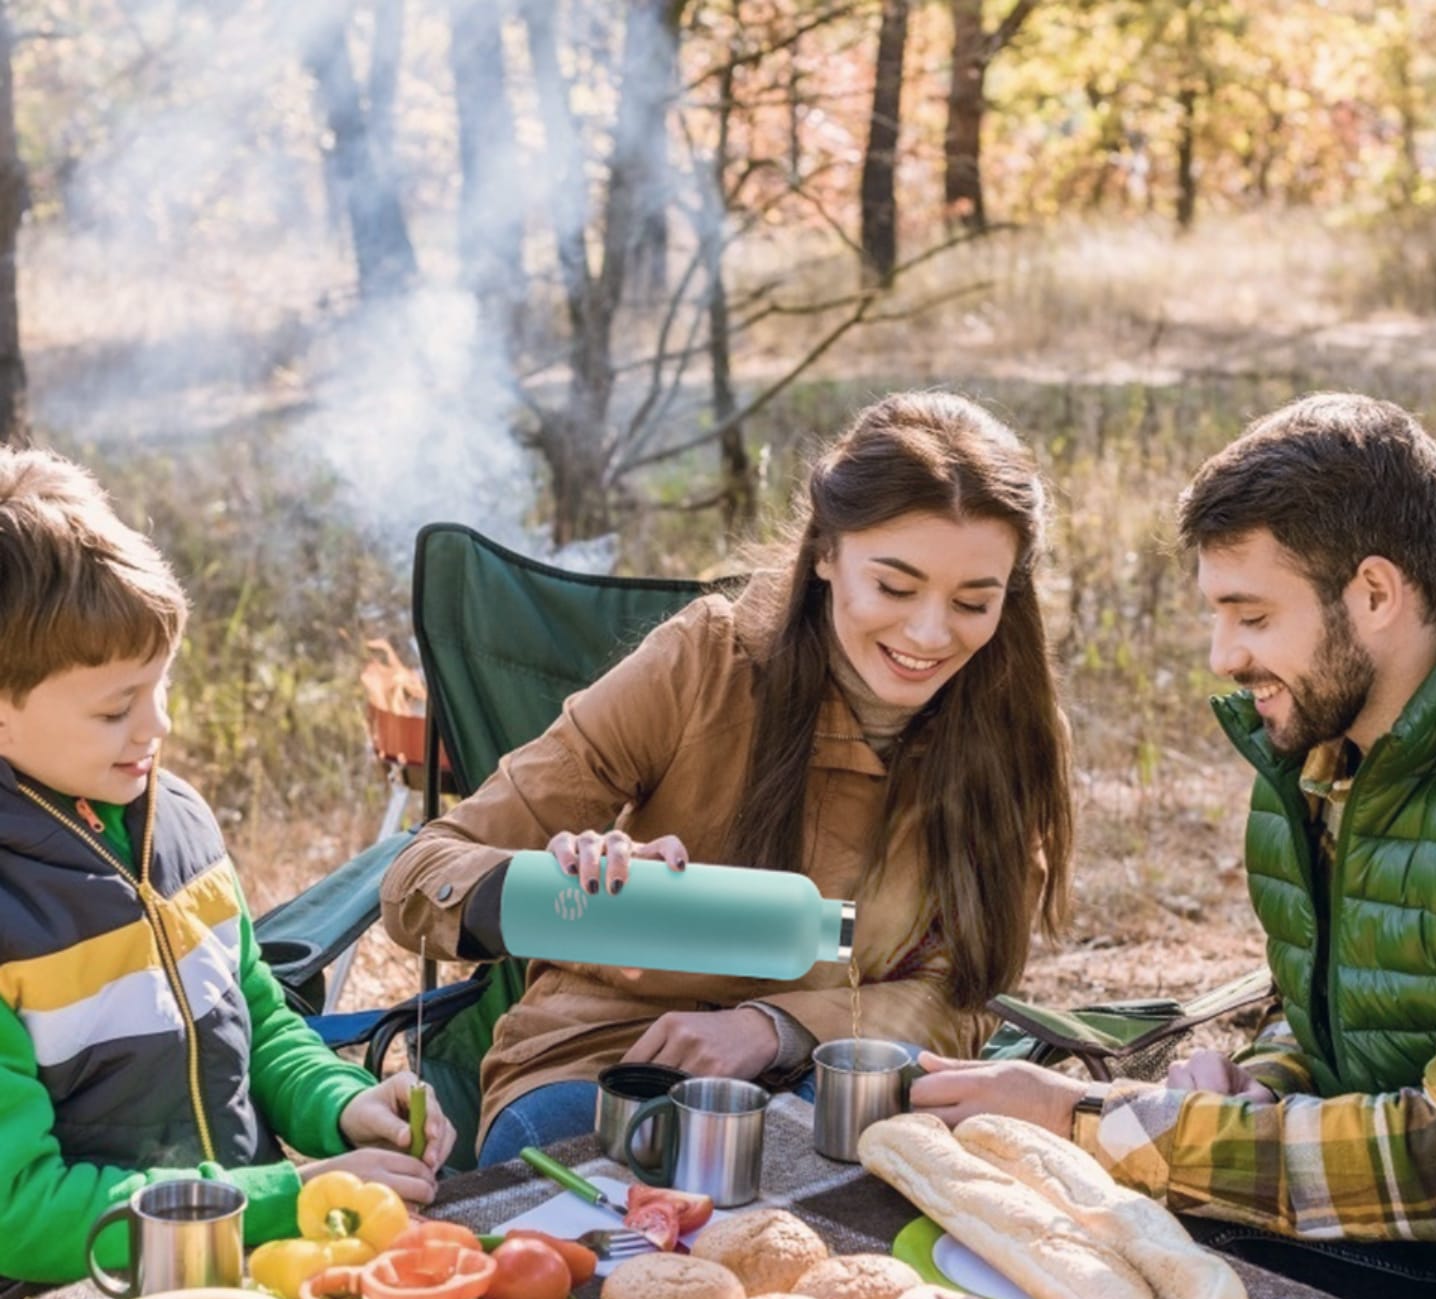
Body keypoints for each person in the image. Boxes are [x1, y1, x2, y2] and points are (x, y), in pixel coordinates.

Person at [911, 393, 1436, 1299]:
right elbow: (1333, 1005)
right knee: (1131, 1287)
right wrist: (1256, 1076)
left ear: (1375, 594)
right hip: (1418, 1221)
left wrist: (1099, 1121)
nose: (1223, 655)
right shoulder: (1321, 747)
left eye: (1251, 614)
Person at [381, 390, 1074, 1166]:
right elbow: (420, 875)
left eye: (973, 602)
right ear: (825, 555)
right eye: (895, 587)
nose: (928, 634)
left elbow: (960, 998)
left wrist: (772, 1028)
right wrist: (557, 894)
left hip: (836, 1083)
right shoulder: (705, 664)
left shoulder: (1010, 735)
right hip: (610, 1065)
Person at [0, 449, 456, 1288]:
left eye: (161, 686)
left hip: (256, 1261)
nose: (156, 727)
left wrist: (340, 1103)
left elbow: (259, 1020)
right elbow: (22, 1212)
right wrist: (281, 1199)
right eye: (115, 709)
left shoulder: (180, 823)